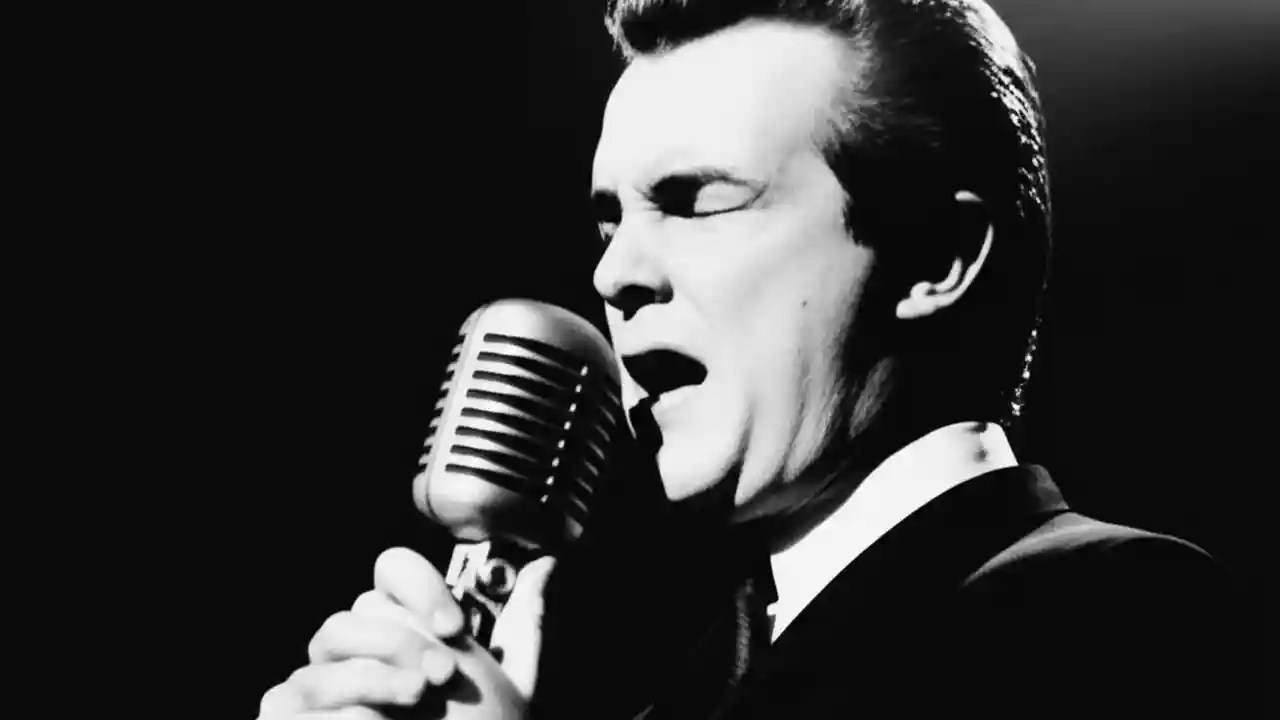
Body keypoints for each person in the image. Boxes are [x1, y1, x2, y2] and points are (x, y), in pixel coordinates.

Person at [258, 1, 1257, 718]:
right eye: (607, 220)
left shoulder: (1115, 619)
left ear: (934, 258)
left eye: (696, 200)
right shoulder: (684, 683)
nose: (615, 275)